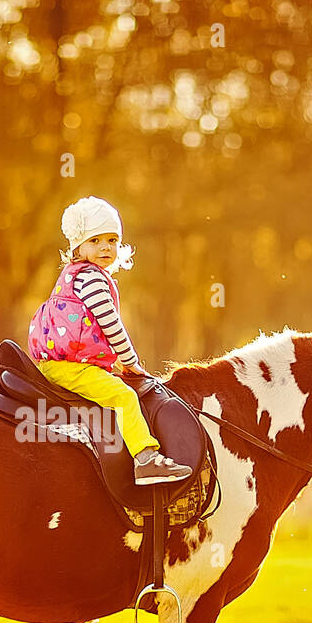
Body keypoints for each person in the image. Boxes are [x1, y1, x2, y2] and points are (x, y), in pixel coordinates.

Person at [28, 196, 192, 485]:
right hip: (69, 367)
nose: (105, 247)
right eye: (95, 240)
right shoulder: (90, 278)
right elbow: (111, 325)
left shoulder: (75, 275)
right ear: (78, 246)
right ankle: (145, 459)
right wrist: (131, 363)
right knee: (125, 396)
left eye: (112, 240)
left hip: (67, 363)